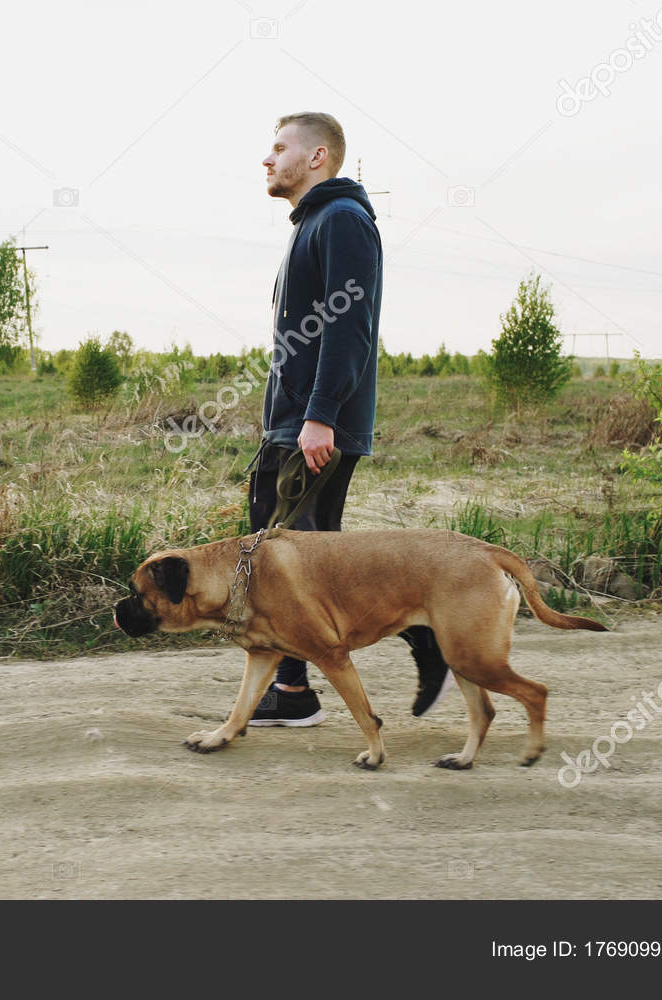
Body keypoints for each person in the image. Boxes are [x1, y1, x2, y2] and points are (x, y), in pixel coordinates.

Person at [247, 111, 451, 727]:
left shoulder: (342, 221)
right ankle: (294, 687)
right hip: (297, 422)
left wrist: (320, 416)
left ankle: (421, 640)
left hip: (314, 425)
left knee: (290, 562)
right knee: (303, 561)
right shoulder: (315, 222)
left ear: (317, 158)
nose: (267, 158)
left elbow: (348, 327)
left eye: (279, 147)